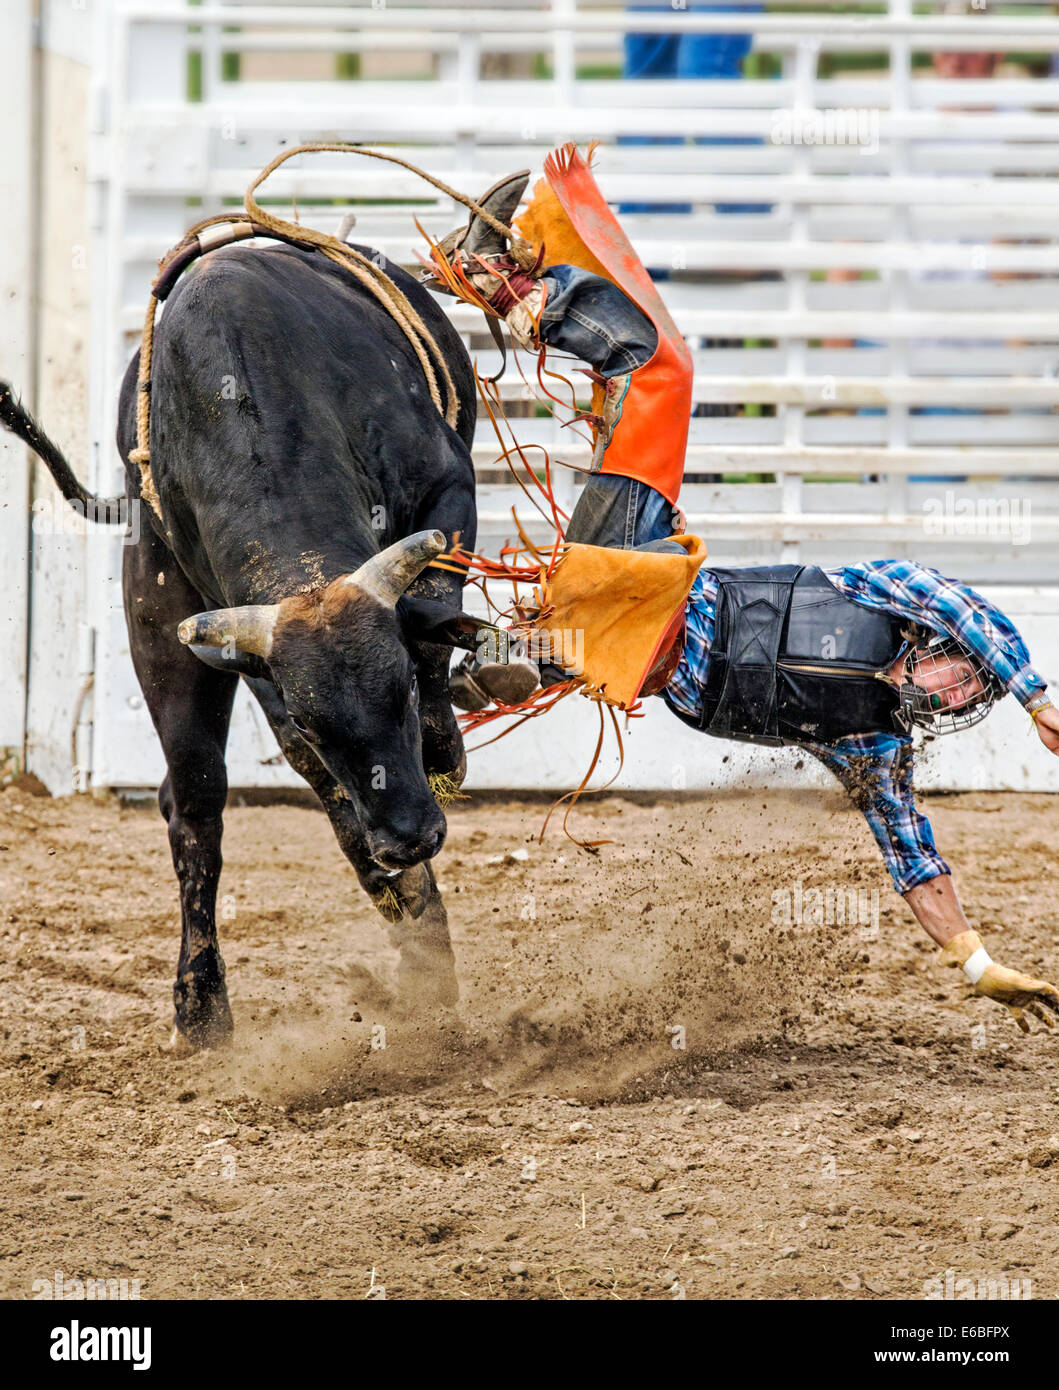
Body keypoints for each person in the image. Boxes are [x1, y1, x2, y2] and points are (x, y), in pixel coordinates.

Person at [424, 155, 1059, 1032]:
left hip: (631, 637)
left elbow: (912, 855)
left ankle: (449, 677)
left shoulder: (869, 747)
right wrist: (1031, 693)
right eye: (965, 679)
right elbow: (960, 605)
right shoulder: (881, 594)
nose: (954, 697)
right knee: (660, 375)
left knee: (658, 375)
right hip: (645, 576)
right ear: (942, 654)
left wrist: (975, 961)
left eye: (967, 701)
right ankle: (506, 283)